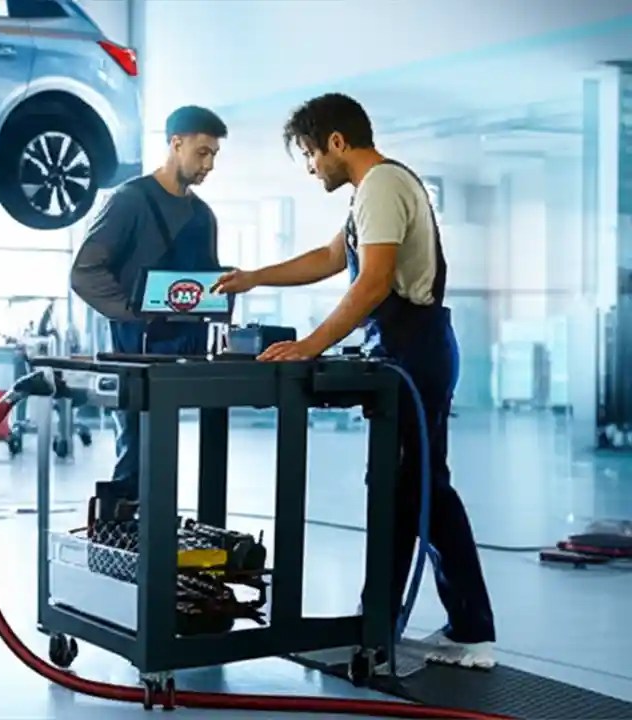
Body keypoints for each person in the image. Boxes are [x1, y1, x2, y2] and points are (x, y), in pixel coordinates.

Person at [211, 92, 495, 668]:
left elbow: (372, 284)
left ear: (337, 143)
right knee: (422, 490)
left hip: (415, 351)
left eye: (311, 155)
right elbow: (330, 258)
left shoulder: (384, 186)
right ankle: (460, 628)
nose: (312, 167)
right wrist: (253, 278)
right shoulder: (369, 196)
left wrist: (308, 347)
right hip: (406, 350)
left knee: (404, 490)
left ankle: (384, 630)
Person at [71, 105, 228, 510]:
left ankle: (160, 538)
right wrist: (132, 311)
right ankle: (124, 533)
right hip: (136, 352)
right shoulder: (131, 201)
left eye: (214, 155)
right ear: (176, 144)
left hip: (187, 356)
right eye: (202, 152)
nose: (209, 164)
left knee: (166, 453)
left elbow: (206, 286)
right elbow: (85, 272)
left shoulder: (203, 216)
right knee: (138, 453)